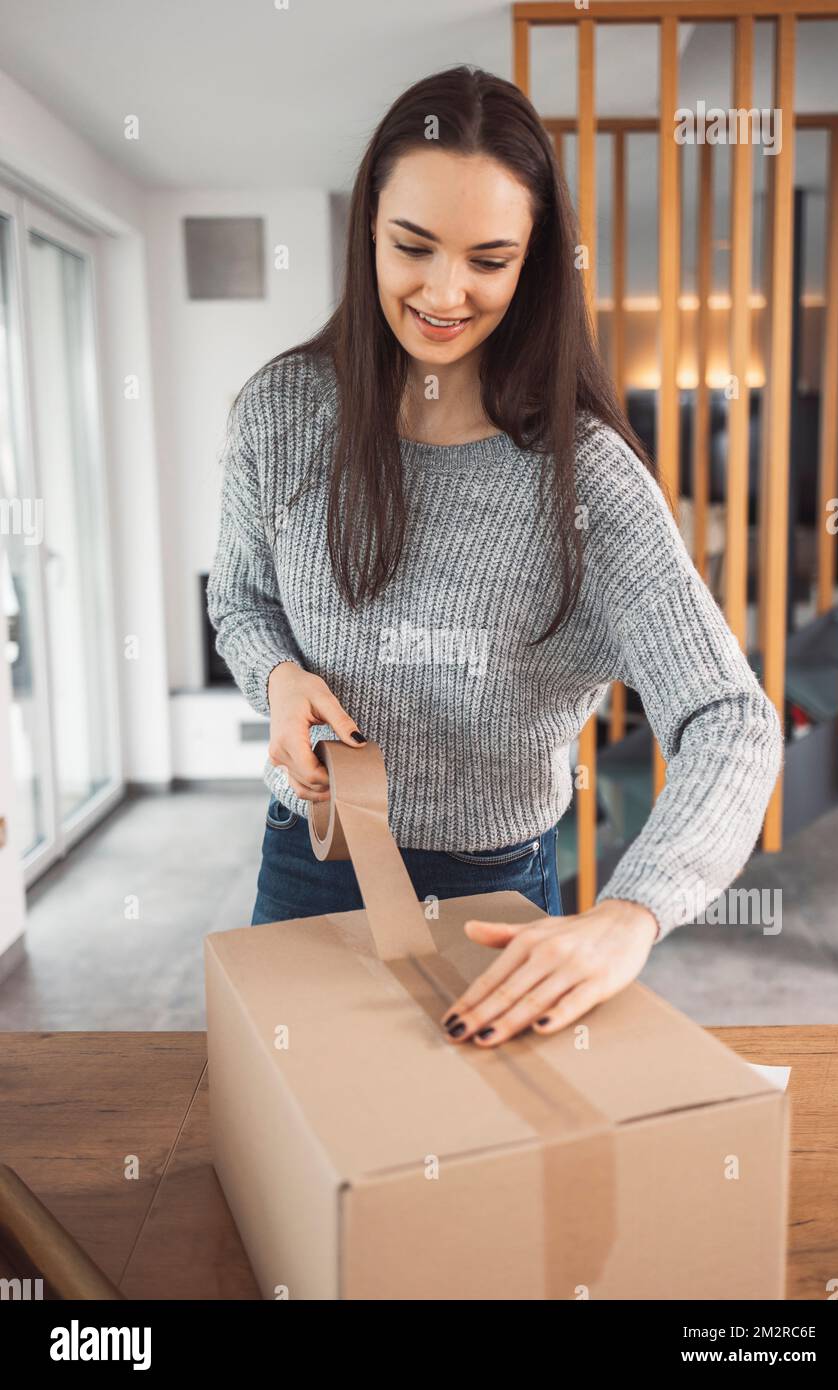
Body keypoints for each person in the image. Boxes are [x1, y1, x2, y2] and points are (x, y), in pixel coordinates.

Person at [206, 65, 782, 1049]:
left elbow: (731, 720)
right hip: (306, 856)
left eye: (487, 258)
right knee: (289, 1156)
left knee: (465, 1180)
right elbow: (241, 598)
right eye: (412, 247)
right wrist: (278, 676)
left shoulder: (586, 484)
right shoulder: (282, 411)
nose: (442, 291)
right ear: (367, 236)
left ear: (534, 265)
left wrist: (627, 913)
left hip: (490, 890)